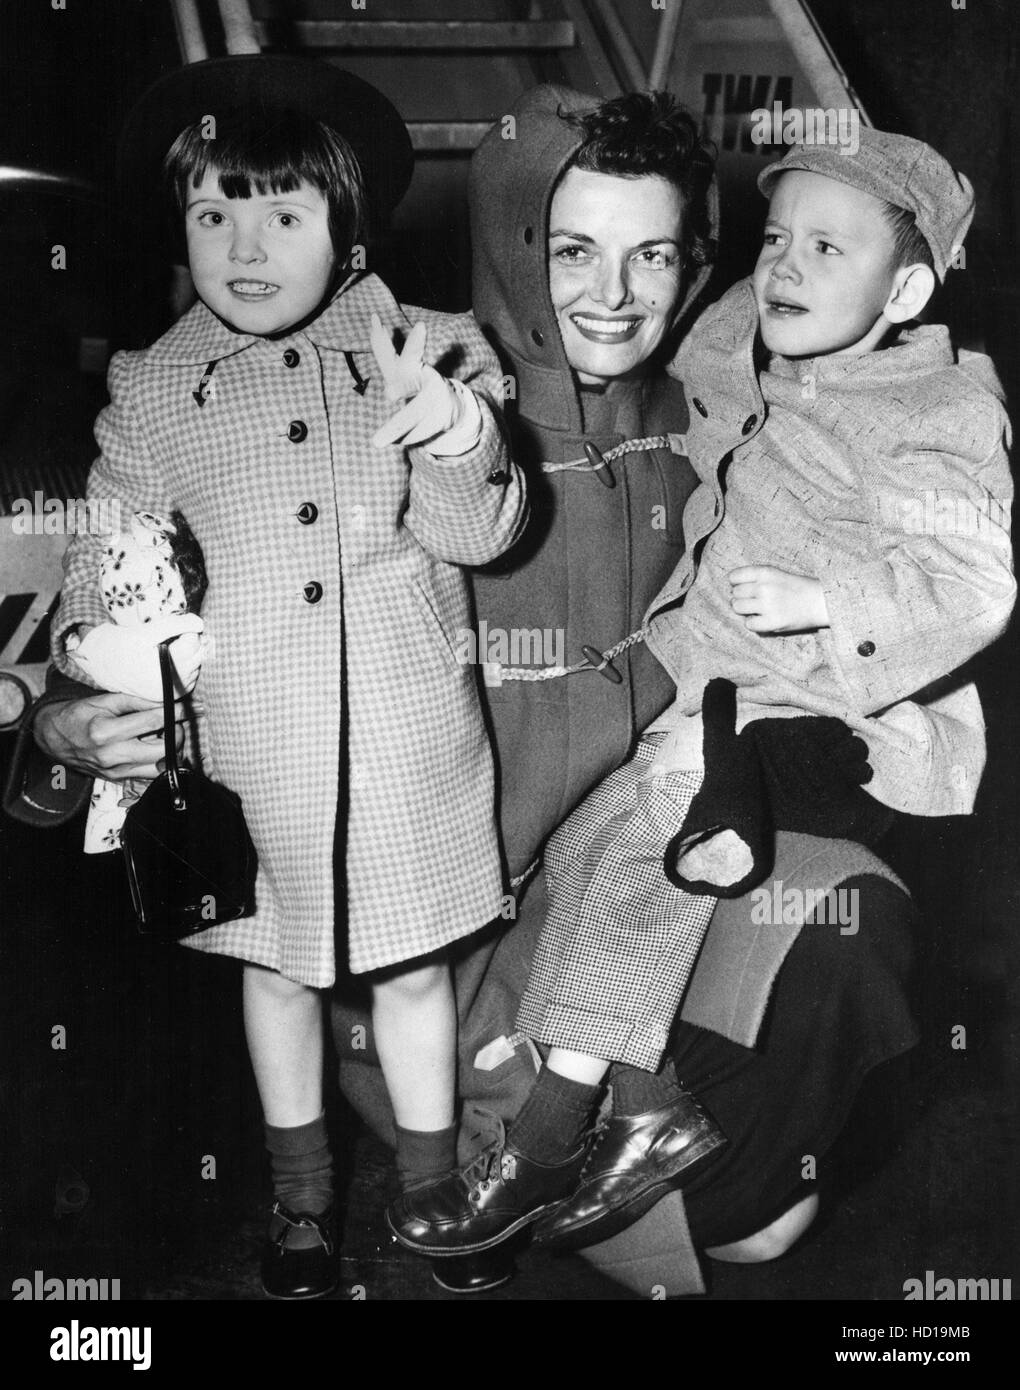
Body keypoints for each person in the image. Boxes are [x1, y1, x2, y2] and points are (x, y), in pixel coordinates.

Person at [387, 124, 1016, 1262]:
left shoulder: (941, 414)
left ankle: (551, 1131)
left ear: (912, 287)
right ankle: (643, 1101)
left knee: (666, 816)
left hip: (830, 721)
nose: (787, 266)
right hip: (728, 702)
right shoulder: (750, 350)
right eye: (775, 239)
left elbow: (974, 584)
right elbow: (696, 336)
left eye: (830, 246)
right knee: (598, 837)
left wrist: (832, 595)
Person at [18, 55, 525, 1301]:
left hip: (407, 745)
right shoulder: (152, 388)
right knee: (275, 971)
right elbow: (103, 560)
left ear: (348, 230)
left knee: (414, 973)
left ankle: (427, 1183)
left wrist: (457, 435)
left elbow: (486, 534)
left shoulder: (433, 348)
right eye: (213, 214)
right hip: (247, 757)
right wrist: (90, 671)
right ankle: (303, 1204)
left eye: (284, 214)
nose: (245, 246)